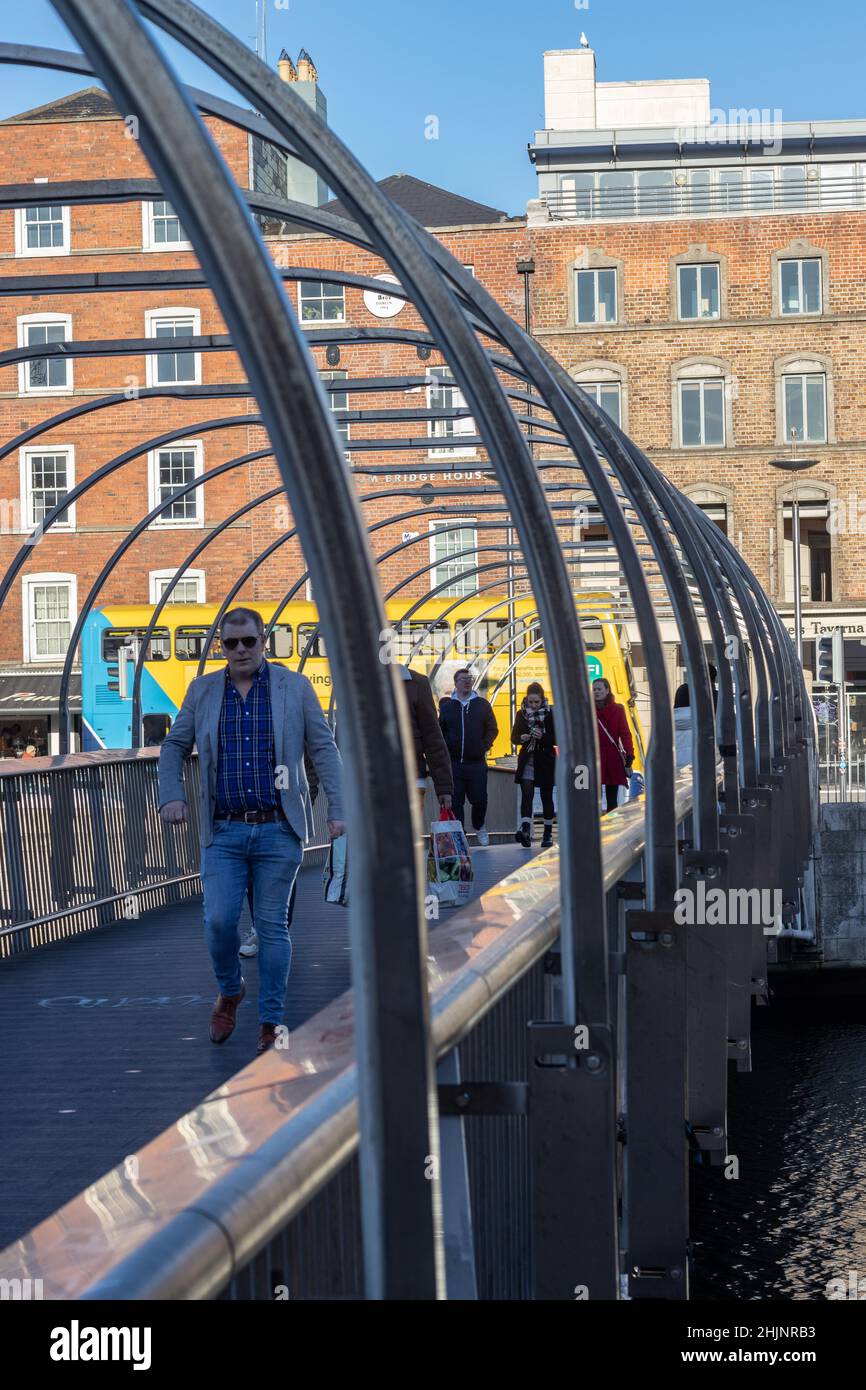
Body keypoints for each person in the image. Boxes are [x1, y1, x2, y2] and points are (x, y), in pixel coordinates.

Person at [158, 606, 344, 1056]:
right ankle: (230, 990)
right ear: (221, 646)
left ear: (264, 642)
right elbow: (174, 745)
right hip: (223, 831)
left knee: (272, 926)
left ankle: (270, 1019)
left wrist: (339, 808)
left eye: (249, 642)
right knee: (219, 922)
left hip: (278, 829)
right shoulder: (202, 691)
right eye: (230, 643)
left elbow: (323, 747)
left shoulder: (293, 688)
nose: (240, 650)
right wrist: (171, 794)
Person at [439, 668, 498, 845]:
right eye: (463, 679)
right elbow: (440, 731)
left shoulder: (482, 704)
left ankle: (479, 825)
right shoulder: (448, 707)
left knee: (480, 798)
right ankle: (461, 834)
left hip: (477, 762)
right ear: (455, 683)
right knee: (456, 801)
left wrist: (483, 746)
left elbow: (492, 729)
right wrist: (446, 750)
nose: (467, 681)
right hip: (455, 763)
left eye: (469, 678)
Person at [397, 665, 453, 815]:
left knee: (405, 830)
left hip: (412, 777)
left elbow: (433, 737)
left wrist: (444, 787)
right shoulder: (358, 681)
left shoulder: (416, 683)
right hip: (372, 779)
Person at [511, 682, 556, 849]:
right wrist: (522, 738)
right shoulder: (520, 714)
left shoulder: (551, 714)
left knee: (546, 795)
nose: (533, 705)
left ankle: (547, 833)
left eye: (536, 702)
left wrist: (542, 736)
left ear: (542, 699)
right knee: (527, 793)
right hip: (528, 758)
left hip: (545, 758)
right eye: (530, 702)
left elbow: (556, 738)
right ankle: (526, 831)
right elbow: (513, 737)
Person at [593, 677, 634, 816]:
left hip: (612, 757)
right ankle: (595, 827)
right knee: (593, 798)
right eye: (594, 689)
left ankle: (612, 825)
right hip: (594, 758)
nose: (596, 692)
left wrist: (630, 753)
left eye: (599, 689)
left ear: (607, 690)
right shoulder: (588, 710)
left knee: (612, 799)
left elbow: (625, 733)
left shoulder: (618, 710)